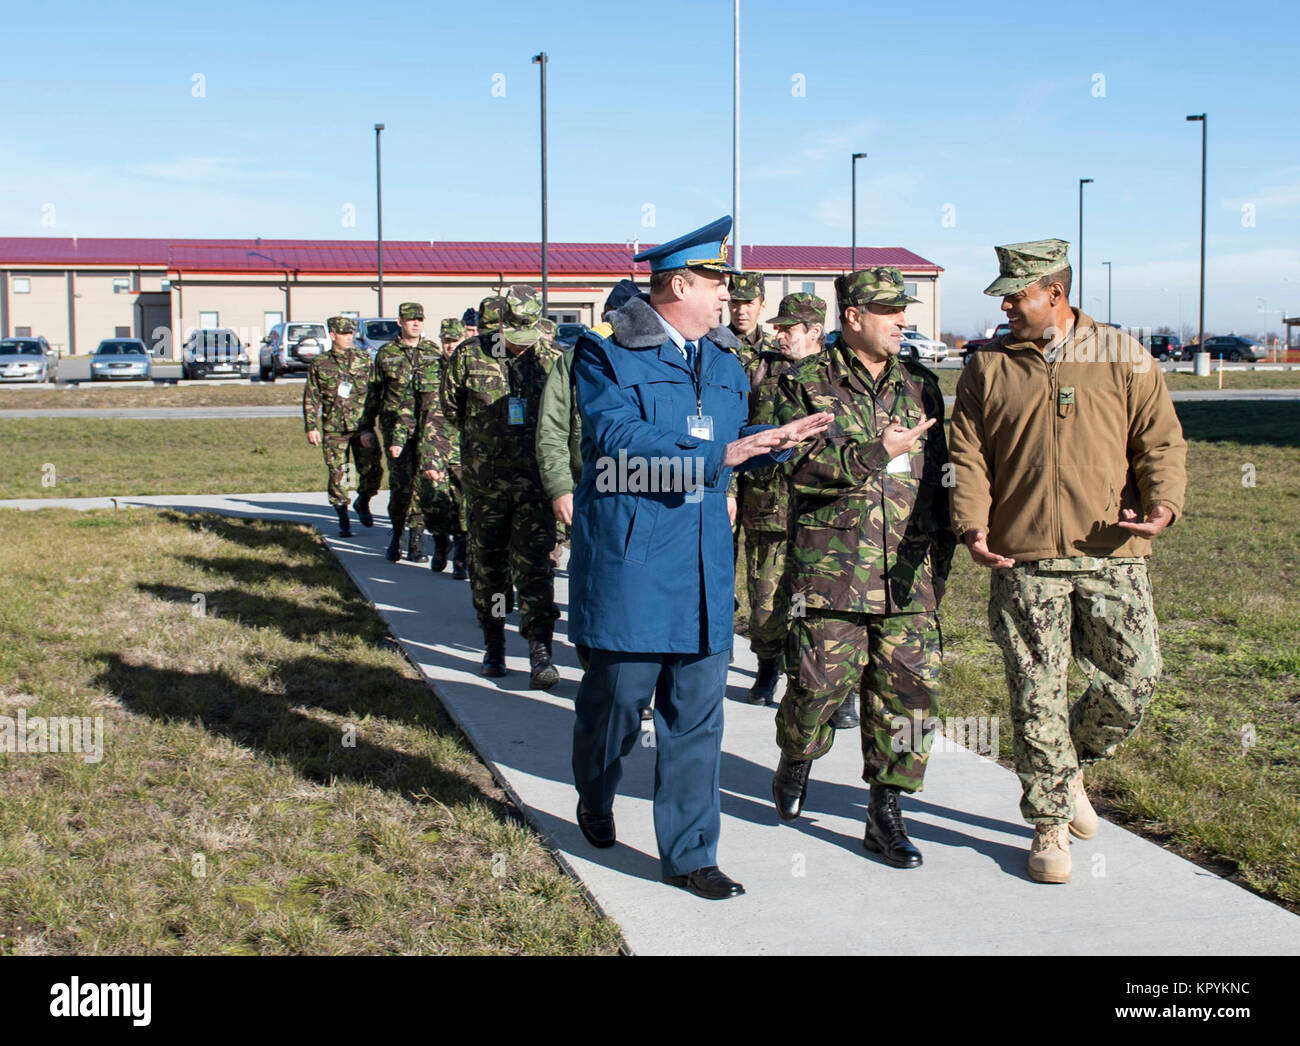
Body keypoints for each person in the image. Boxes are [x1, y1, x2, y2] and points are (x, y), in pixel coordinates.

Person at [568, 216, 833, 900]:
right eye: (716, 282)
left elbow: (729, 432)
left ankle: (690, 854)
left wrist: (770, 438)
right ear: (679, 282)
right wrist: (722, 456)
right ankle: (595, 796)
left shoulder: (721, 359)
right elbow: (618, 441)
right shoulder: (606, 352)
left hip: (705, 569)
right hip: (634, 565)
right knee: (615, 709)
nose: (728, 294)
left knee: (696, 721)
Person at [948, 239, 1187, 884]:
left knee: (1136, 678)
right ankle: (1050, 822)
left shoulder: (1122, 355)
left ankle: (1067, 762)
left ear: (1053, 292)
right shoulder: (987, 366)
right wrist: (972, 523)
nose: (1004, 305)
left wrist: (1163, 505)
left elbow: (1159, 440)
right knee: (1037, 690)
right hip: (1021, 555)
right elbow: (966, 454)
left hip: (1111, 548)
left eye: (1015, 294)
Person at [769, 268, 954, 868]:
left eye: (905, 310)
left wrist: (944, 558)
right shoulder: (801, 381)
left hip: (907, 571)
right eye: (889, 310)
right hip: (832, 571)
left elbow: (942, 481)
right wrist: (880, 452)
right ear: (852, 316)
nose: (903, 320)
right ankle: (797, 754)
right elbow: (795, 468)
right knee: (816, 689)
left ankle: (887, 811)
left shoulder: (923, 384)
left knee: (909, 701)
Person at [441, 285, 562, 687]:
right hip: (486, 489)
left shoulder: (553, 361)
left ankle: (540, 651)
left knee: (535, 570)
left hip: (535, 489)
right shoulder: (468, 357)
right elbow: (451, 410)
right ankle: (494, 645)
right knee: (489, 572)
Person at [742, 292, 827, 708]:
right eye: (776, 327)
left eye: (787, 328)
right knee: (765, 600)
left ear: (814, 331)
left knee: (822, 603)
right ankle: (766, 667)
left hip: (821, 510)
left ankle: (831, 688)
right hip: (767, 506)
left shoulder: (836, 375)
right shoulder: (761, 370)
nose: (779, 335)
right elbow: (735, 432)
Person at [361, 302, 441, 563]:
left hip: (427, 427)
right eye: (410, 319)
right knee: (401, 483)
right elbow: (374, 392)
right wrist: (366, 427)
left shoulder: (432, 352)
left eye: (420, 319)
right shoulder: (386, 353)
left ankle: (417, 540)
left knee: (423, 482)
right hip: (395, 427)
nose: (416, 323)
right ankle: (397, 536)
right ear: (400, 322)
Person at [303, 316, 382, 536]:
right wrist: (311, 426)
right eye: (344, 334)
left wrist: (369, 426)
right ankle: (343, 516)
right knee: (341, 472)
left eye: (351, 334)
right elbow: (312, 397)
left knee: (372, 469)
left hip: (361, 427)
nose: (348, 338)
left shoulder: (364, 360)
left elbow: (375, 394)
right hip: (335, 428)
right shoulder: (321, 363)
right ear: (332, 335)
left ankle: (363, 500)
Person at [411, 319, 467, 578]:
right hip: (432, 446)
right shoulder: (426, 369)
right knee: (433, 502)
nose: (449, 346)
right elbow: (408, 408)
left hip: (462, 447)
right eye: (446, 340)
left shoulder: (470, 368)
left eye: (454, 341)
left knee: (463, 503)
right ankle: (442, 543)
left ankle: (462, 555)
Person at [727, 271, 778, 372]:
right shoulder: (713, 345)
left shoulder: (777, 349)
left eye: (749, 303)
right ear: (728, 304)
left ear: (762, 306)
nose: (741, 311)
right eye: (735, 303)